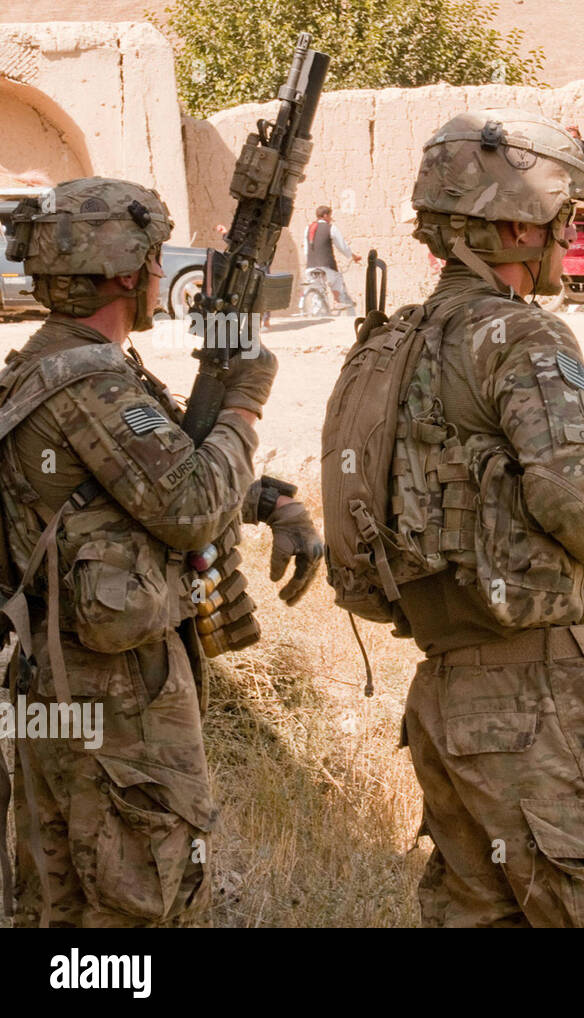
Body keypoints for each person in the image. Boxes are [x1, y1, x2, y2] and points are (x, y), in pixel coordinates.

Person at [395, 108, 584, 926]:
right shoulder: (518, 333)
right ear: (520, 229)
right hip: (536, 700)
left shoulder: (389, 345)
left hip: (443, 694)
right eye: (563, 219)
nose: (569, 235)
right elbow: (575, 494)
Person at [0, 177, 322, 927]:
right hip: (115, 697)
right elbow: (187, 505)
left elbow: (149, 476)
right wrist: (244, 399)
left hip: (56, 677)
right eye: (151, 261)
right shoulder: (92, 385)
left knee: (64, 903)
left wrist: (273, 501)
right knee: (141, 899)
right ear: (123, 270)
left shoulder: (52, 365)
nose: (157, 278)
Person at [300, 204, 361, 314]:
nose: (330, 219)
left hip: (310, 266)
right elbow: (342, 246)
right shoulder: (331, 228)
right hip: (326, 265)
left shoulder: (308, 228)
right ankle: (336, 301)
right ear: (325, 215)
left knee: (317, 290)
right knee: (337, 278)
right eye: (330, 216)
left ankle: (317, 314)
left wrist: (310, 261)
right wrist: (353, 256)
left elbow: (305, 249)